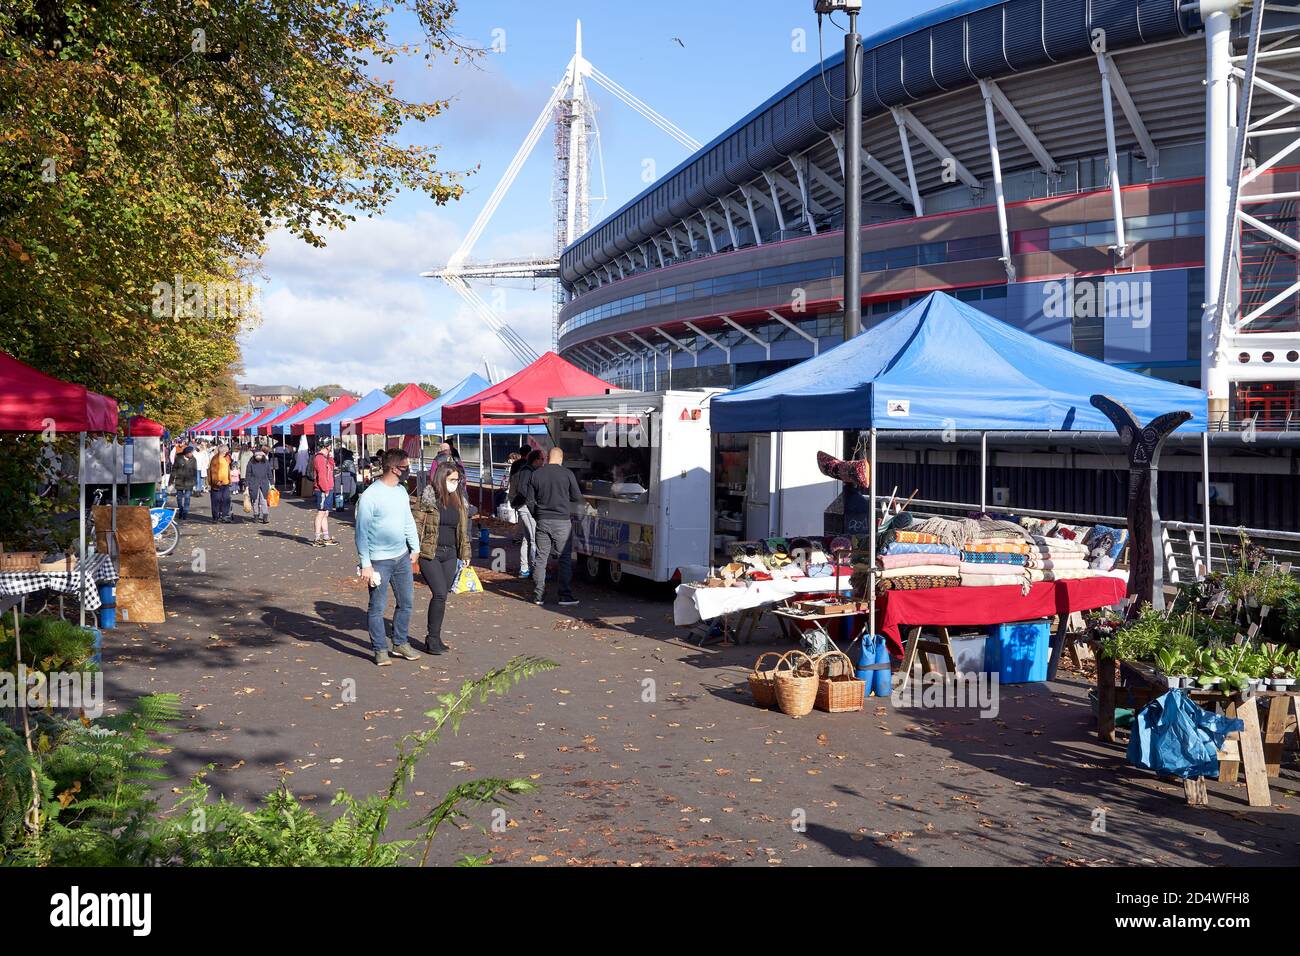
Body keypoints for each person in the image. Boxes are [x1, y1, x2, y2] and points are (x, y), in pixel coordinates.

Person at [355, 449, 421, 666]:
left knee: (407, 603)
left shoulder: (402, 491)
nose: (408, 470)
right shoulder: (370, 496)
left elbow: (408, 521)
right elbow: (361, 532)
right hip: (378, 561)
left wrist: (415, 548)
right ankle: (379, 649)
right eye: (405, 466)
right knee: (377, 606)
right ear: (394, 468)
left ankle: (400, 642)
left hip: (402, 556)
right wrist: (365, 564)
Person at [412, 462, 469, 655]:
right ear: (442, 478)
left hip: (451, 553)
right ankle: (432, 638)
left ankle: (435, 636)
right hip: (431, 553)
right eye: (452, 479)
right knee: (439, 593)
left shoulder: (458, 499)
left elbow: (462, 530)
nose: (455, 483)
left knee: (443, 595)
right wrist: (414, 551)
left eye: (457, 480)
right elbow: (417, 525)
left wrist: (465, 553)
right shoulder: (427, 498)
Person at [523, 446, 582, 606]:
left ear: (548, 457)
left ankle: (538, 595)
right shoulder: (567, 474)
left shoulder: (536, 474)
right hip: (562, 521)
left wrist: (538, 514)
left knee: (541, 558)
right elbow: (577, 497)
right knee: (564, 559)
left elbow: (529, 500)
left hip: (542, 521)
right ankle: (564, 596)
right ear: (561, 459)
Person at [510, 448, 543, 578]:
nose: (543, 462)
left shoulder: (526, 470)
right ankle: (536, 569)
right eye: (542, 459)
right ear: (536, 460)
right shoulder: (527, 471)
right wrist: (532, 504)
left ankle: (524, 568)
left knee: (527, 538)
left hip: (522, 505)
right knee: (534, 538)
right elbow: (523, 489)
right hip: (526, 506)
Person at [310, 441, 338, 546]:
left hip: (328, 488)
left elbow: (331, 468)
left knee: (325, 513)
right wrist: (325, 489)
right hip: (322, 489)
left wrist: (330, 458)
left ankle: (326, 537)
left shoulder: (325, 457)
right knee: (321, 513)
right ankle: (317, 538)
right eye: (330, 445)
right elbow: (321, 475)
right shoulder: (320, 458)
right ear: (327, 446)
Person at [245, 445, 274, 524]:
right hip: (253, 483)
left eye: (260, 455)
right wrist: (246, 485)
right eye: (257, 455)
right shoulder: (251, 462)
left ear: (262, 455)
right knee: (255, 500)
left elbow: (269, 473)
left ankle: (265, 516)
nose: (258, 457)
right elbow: (248, 474)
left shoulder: (266, 462)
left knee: (264, 500)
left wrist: (272, 484)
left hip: (264, 484)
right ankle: (256, 516)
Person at [208, 444, 232, 523]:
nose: (227, 452)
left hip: (226, 483)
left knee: (226, 500)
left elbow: (227, 469)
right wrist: (216, 481)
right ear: (224, 451)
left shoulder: (226, 458)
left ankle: (225, 516)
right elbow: (213, 471)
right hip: (217, 483)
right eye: (226, 450)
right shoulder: (215, 459)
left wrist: (229, 480)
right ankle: (215, 517)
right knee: (216, 501)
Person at [172, 445, 198, 519]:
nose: (191, 454)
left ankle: (185, 513)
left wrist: (195, 482)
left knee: (187, 497)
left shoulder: (194, 460)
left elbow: (195, 471)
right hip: (179, 481)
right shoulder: (178, 459)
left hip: (189, 482)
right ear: (186, 453)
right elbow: (174, 470)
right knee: (179, 498)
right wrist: (171, 481)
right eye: (190, 453)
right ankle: (180, 510)